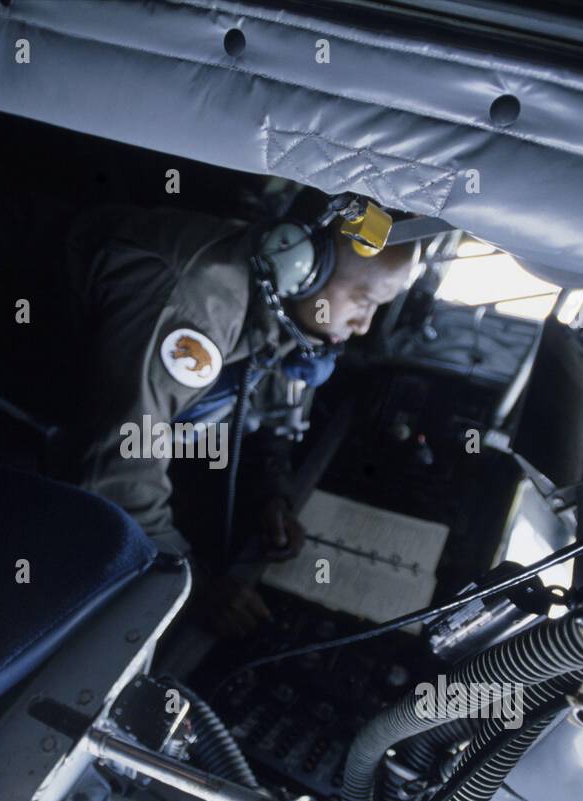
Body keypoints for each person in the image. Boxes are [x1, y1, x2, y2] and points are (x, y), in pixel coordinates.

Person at [63, 202, 415, 635]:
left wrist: (272, 493)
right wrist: (189, 584)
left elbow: (275, 404)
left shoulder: (284, 299)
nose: (364, 326)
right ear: (304, 263)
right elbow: (116, 474)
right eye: (364, 300)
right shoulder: (199, 306)